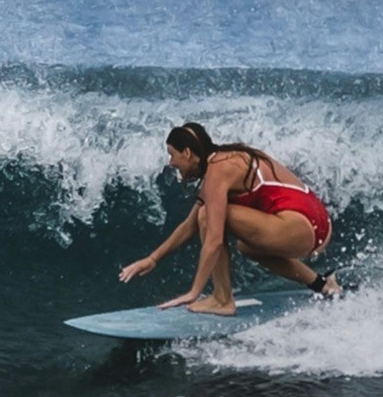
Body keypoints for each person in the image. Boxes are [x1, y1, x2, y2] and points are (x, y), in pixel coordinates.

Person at [119, 121, 337, 312]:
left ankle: (222, 300)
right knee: (245, 246)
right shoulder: (224, 161)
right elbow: (189, 225)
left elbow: (213, 238)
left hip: (302, 225)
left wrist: (194, 291)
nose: (170, 163)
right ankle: (322, 284)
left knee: (208, 216)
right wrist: (153, 259)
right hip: (316, 224)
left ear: (187, 153)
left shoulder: (218, 171)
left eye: (172, 154)